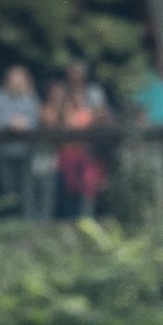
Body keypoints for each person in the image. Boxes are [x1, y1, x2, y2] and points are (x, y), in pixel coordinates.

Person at [55, 60, 111, 218]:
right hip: (69, 153)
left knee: (90, 186)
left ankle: (87, 218)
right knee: (71, 187)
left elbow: (102, 116)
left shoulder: (93, 94)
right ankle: (72, 219)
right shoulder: (64, 96)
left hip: (90, 152)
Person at [0, 65, 41, 215]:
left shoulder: (31, 98)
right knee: (7, 188)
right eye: (14, 81)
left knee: (26, 188)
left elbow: (36, 120)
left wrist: (25, 124)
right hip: (4, 152)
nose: (17, 84)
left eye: (20, 81)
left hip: (25, 151)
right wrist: (10, 124)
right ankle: (10, 220)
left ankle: (27, 220)